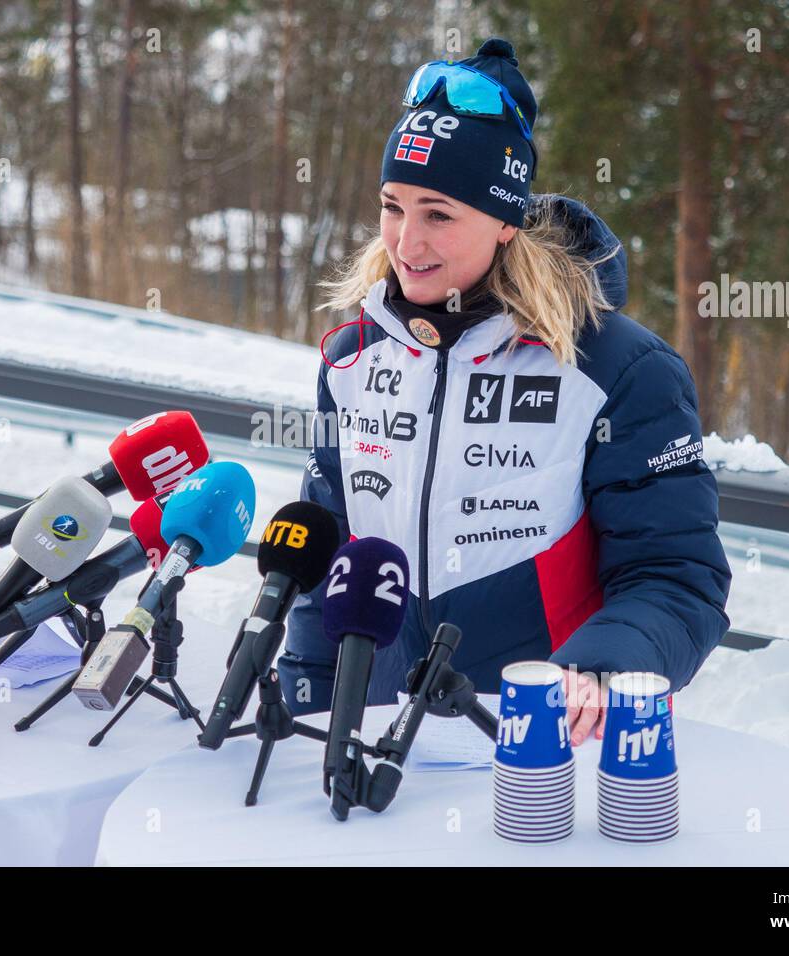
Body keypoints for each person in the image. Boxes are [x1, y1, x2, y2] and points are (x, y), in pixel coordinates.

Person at [279, 37, 732, 747]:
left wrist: (602, 670)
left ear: (505, 222)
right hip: (370, 741)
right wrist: (303, 688)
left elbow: (677, 579)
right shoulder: (352, 357)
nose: (406, 242)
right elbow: (331, 551)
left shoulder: (617, 369)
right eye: (392, 206)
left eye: (439, 213)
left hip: (545, 743)